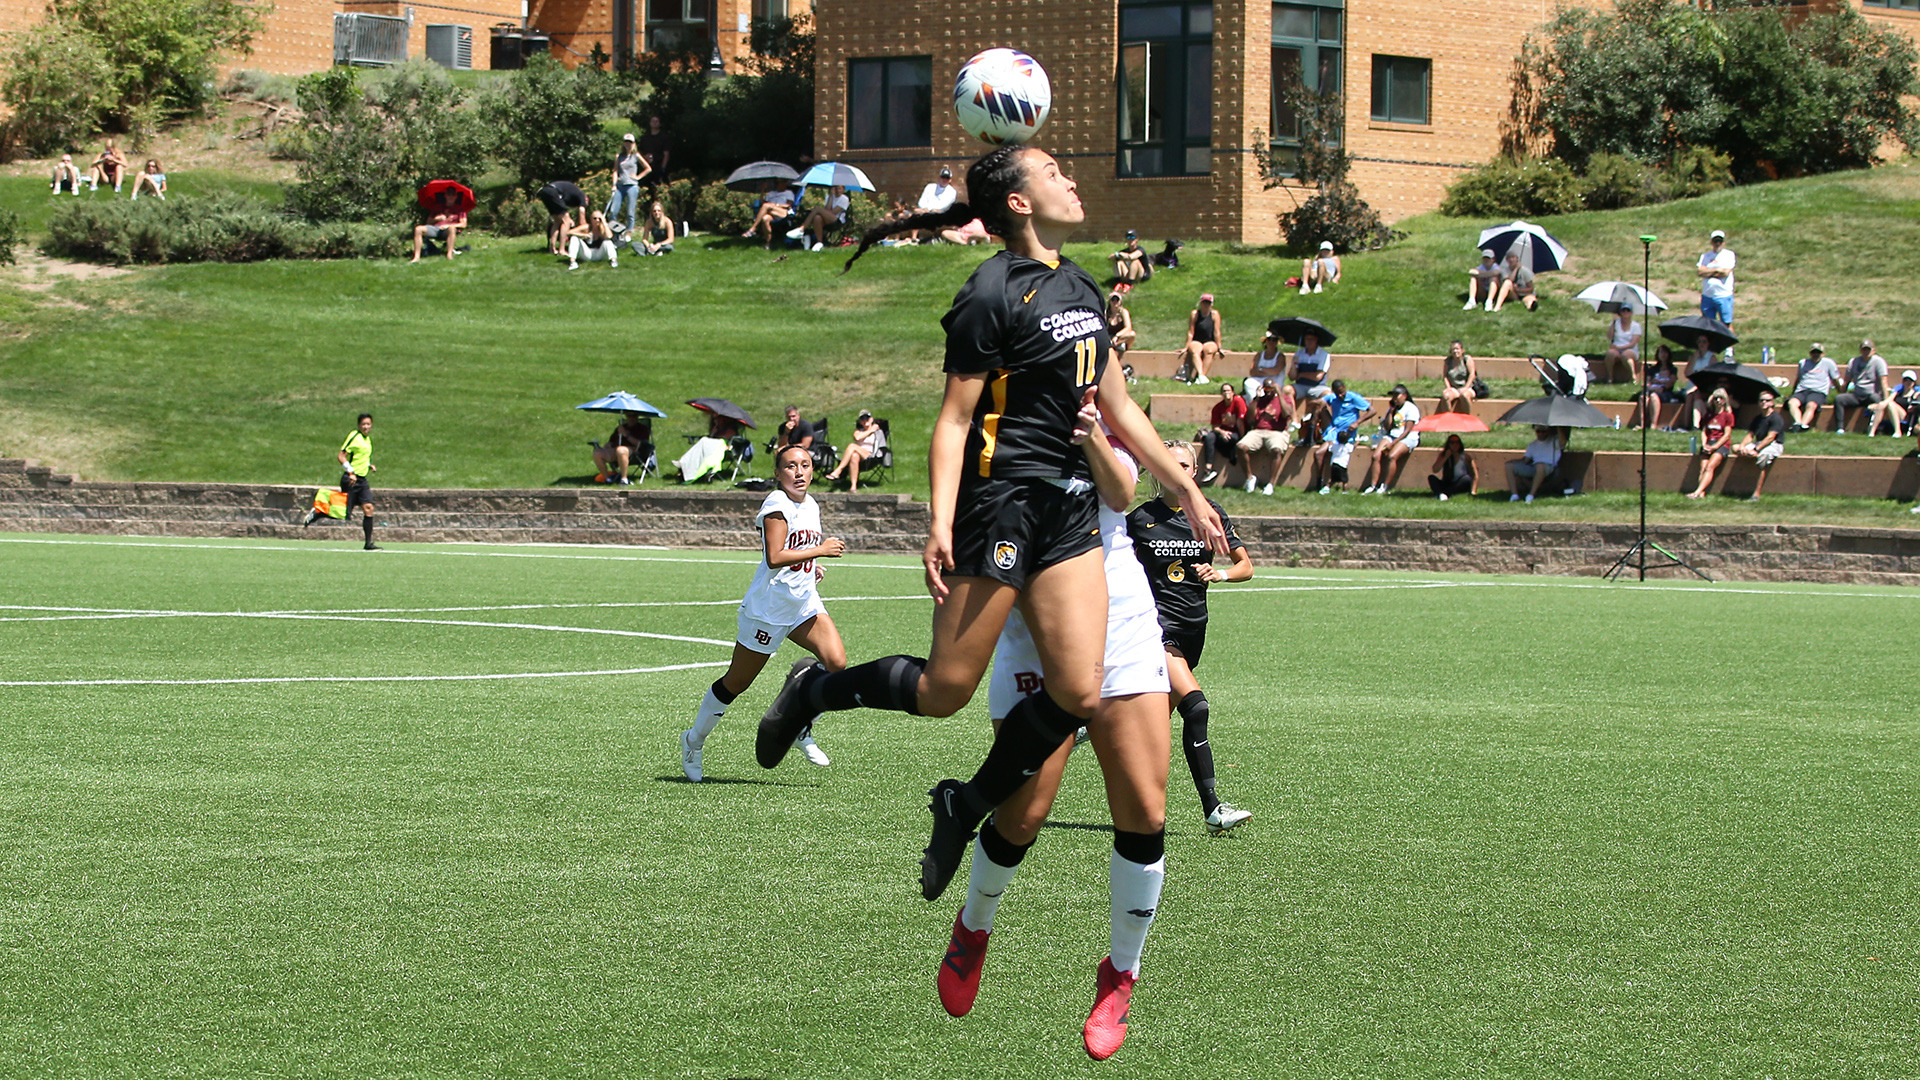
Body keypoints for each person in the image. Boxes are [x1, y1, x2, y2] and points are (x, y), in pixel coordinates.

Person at [771, 148, 1226, 1052]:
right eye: (1053, 169)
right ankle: (814, 693)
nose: (1072, 177)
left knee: (1090, 712)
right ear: (1020, 201)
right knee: (945, 689)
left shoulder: (1088, 290)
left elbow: (1121, 410)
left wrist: (1186, 487)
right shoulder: (990, 293)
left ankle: (1107, 968)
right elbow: (950, 420)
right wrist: (938, 522)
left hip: (1068, 518)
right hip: (997, 506)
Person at [950, 423, 1175, 1061]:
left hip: (1121, 611)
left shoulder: (1100, 395)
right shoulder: (995, 408)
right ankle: (974, 927)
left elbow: (1123, 490)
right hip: (1033, 618)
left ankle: (1119, 975)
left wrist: (1090, 432)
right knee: (1022, 812)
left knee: (1144, 809)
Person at [680, 443, 845, 782]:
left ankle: (799, 723)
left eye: (805, 465)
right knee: (736, 683)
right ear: (777, 473)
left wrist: (810, 567)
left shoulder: (811, 504)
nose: (799, 472)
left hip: (802, 603)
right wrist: (821, 551)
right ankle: (694, 740)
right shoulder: (776, 504)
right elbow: (774, 556)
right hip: (769, 609)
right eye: (790, 466)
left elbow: (796, 553)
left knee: (836, 663)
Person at [1129, 441, 1255, 837]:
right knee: (1196, 708)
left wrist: (1221, 575)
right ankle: (1213, 809)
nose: (1177, 471)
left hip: (1193, 627)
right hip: (1153, 628)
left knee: (1150, 730)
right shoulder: (1139, 519)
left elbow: (1244, 565)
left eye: (1184, 465)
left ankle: (1088, 727)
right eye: (1168, 465)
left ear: (1195, 470)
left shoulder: (1210, 512)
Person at [301, 412, 379, 549]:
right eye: (363, 424)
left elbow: (359, 457)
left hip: (362, 480)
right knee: (343, 512)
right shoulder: (354, 436)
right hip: (352, 480)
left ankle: (368, 543)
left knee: (369, 508)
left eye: (368, 424)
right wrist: (351, 472)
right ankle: (319, 511)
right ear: (359, 425)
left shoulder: (367, 440)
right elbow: (341, 456)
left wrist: (368, 465)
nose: (366, 427)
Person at [1359, 383, 1420, 495]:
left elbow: (1407, 430)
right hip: (1392, 435)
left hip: (1408, 437)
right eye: (1393, 396)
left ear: (1405, 396)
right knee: (1376, 456)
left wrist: (1394, 443)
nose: (1395, 398)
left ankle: (1385, 486)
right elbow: (1387, 427)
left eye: (1397, 395)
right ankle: (1373, 485)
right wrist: (1391, 412)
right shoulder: (1393, 409)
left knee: (1392, 456)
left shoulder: (1411, 409)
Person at [1310, 379, 1368, 494]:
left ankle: (1333, 484)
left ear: (1345, 388)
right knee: (1318, 454)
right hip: (1334, 431)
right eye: (1337, 393)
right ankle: (1319, 481)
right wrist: (1318, 403)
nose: (1340, 395)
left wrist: (1357, 422)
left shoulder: (1353, 398)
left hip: (1345, 435)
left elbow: (1372, 410)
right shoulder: (1332, 398)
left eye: (1342, 392)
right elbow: (1317, 402)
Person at [1237, 380, 1292, 495]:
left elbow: (1287, 414)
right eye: (1266, 389)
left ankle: (1271, 484)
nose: (1268, 392)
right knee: (1241, 447)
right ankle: (1250, 478)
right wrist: (1256, 399)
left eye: (1270, 389)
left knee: (1276, 450)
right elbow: (1250, 420)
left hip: (1277, 431)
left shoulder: (1284, 399)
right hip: (1258, 431)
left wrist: (1279, 394)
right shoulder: (1259, 401)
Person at [1731, 390, 1786, 500]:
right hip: (1759, 443)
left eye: (1767, 400)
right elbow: (1750, 435)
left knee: (1763, 456)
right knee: (1735, 448)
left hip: (1774, 445)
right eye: (1761, 400)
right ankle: (1754, 456)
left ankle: (1756, 494)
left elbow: (1771, 437)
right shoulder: (1757, 418)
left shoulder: (1776, 418)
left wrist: (1756, 449)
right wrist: (1742, 446)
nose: (1764, 402)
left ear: (1772, 403)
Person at [1686, 388, 1738, 499]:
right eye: (1716, 398)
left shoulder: (1728, 416)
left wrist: (1715, 447)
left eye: (1721, 398)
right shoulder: (1709, 415)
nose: (1718, 400)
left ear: (1725, 400)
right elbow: (1704, 432)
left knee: (1710, 467)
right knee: (1703, 468)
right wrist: (1705, 444)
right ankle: (1701, 493)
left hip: (1721, 445)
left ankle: (1696, 492)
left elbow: (1727, 435)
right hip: (1709, 443)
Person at [1833, 339, 1888, 434]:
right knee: (1839, 399)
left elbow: (1883, 380)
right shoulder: (1853, 361)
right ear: (1860, 350)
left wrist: (1886, 400)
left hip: (1872, 394)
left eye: (1868, 350)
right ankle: (1840, 428)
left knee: (1876, 398)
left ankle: (1878, 428)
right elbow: (1847, 380)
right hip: (1857, 395)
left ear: (1874, 350)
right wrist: (1842, 391)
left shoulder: (1879, 362)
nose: (1866, 352)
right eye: (1864, 350)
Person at [1785, 343, 1842, 433]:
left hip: (1818, 391)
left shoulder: (1828, 363)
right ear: (1810, 353)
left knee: (1811, 405)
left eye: (1818, 352)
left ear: (1823, 354)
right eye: (1813, 352)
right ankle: (1797, 423)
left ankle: (1803, 425)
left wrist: (1840, 391)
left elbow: (1835, 379)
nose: (1815, 354)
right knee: (1792, 402)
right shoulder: (1803, 363)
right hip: (1802, 390)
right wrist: (1793, 392)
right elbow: (1798, 378)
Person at [1197, 382, 1245, 485]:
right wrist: (1222, 432)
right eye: (1224, 391)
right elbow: (1215, 427)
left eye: (1228, 390)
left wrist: (1243, 438)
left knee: (1226, 439)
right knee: (1209, 437)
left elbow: (1241, 421)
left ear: (1233, 392)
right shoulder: (1217, 407)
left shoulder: (1238, 401)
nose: (1226, 393)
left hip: (1237, 433)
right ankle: (1208, 469)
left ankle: (1232, 455)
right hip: (1223, 432)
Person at [824, 410, 884, 491]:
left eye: (867, 418)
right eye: (862, 419)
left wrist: (873, 430)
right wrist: (870, 430)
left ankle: (838, 470)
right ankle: (853, 486)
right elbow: (857, 438)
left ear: (871, 419)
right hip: (859, 456)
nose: (865, 420)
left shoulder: (878, 432)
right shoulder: (858, 431)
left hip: (871, 456)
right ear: (860, 421)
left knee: (852, 446)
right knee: (854, 456)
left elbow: (881, 446)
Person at [1505, 425, 1564, 503]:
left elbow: (1563, 442)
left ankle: (1531, 495)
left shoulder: (1554, 441)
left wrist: (1558, 427)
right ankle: (1514, 495)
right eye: (1538, 431)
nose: (1541, 434)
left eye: (1543, 432)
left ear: (1548, 431)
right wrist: (1514, 462)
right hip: (1535, 467)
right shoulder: (1532, 445)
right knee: (1509, 466)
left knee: (1540, 466)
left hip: (1549, 467)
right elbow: (1526, 460)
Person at [1697, 229, 1736, 347]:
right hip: (1708, 295)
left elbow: (1725, 273)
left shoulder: (1729, 255)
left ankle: (1729, 350)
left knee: (1726, 323)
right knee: (1708, 324)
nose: (1717, 243)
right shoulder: (1705, 256)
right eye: (1715, 241)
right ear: (1711, 242)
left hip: (1723, 295)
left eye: (1720, 241)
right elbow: (1700, 272)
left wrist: (1708, 272)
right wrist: (1716, 271)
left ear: (1723, 242)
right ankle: (1710, 348)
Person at [607, 132, 652, 233]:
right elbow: (615, 171)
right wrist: (614, 184)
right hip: (620, 186)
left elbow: (648, 168)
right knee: (614, 210)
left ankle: (629, 232)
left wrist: (638, 177)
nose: (628, 144)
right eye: (626, 142)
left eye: (630, 142)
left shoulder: (636, 155)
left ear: (633, 143)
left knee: (630, 211)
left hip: (631, 186)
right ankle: (611, 231)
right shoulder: (619, 156)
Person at [593, 411, 652, 486]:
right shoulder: (621, 428)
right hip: (616, 450)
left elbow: (640, 444)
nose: (631, 418)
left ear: (637, 417)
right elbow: (611, 442)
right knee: (597, 453)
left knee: (621, 450)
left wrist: (626, 434)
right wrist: (607, 446)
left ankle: (624, 479)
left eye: (634, 416)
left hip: (634, 452)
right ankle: (608, 479)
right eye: (629, 416)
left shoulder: (642, 429)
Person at [1634, 344, 1683, 431]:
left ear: (1668, 354)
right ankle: (1643, 424)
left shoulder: (1672, 369)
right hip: (1652, 390)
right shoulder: (1653, 369)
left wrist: (1662, 386)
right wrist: (1652, 387)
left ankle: (1653, 424)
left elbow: (1671, 382)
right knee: (1643, 397)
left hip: (1665, 392)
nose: (1663, 355)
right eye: (1661, 352)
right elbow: (1647, 383)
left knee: (1653, 397)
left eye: (1665, 352)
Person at [1178, 294, 1223, 384]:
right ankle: (1201, 376)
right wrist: (1186, 346)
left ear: (1211, 304)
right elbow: (1191, 332)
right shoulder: (1195, 314)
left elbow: (1217, 332)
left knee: (1209, 350)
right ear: (1200, 303)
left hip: (1210, 340)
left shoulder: (1214, 314)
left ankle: (1201, 376)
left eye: (1208, 303)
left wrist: (1220, 347)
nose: (1206, 305)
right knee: (1195, 350)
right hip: (1197, 340)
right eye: (1204, 302)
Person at [536, 180, 588, 255]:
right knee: (566, 222)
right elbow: (582, 212)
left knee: (557, 221)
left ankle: (552, 249)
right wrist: (584, 228)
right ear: (587, 199)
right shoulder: (582, 196)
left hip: (544, 191)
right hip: (553, 191)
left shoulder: (572, 195)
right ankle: (562, 250)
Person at [1680, 334, 1720, 429]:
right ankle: (1687, 425)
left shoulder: (1711, 358)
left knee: (1695, 394)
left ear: (1708, 343)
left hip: (1705, 387)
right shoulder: (1693, 357)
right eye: (1699, 341)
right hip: (1692, 387)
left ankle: (1694, 425)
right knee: (1690, 395)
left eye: (1704, 341)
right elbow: (1687, 374)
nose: (1701, 344)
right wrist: (1694, 358)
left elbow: (1712, 376)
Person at [795, 184, 850, 252]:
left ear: (843, 189)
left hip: (837, 221)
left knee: (817, 209)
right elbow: (827, 209)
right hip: (827, 220)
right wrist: (830, 197)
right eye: (835, 188)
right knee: (817, 217)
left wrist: (825, 212)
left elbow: (833, 212)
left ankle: (802, 228)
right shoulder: (828, 197)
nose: (837, 190)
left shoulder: (844, 199)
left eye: (839, 188)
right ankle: (819, 242)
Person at [742, 182, 796, 249]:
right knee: (765, 219)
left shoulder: (789, 192)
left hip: (782, 212)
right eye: (781, 183)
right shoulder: (772, 193)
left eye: (783, 183)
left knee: (766, 206)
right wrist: (762, 190)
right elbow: (762, 202)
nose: (783, 184)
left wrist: (775, 205)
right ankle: (768, 243)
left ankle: (753, 228)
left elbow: (788, 205)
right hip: (771, 212)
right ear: (777, 184)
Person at [1868, 369, 1918, 437]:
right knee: (1886, 404)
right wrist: (1878, 406)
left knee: (1891, 404)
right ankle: (1872, 431)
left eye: (1910, 380)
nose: (1908, 382)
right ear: (1902, 381)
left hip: (1906, 416)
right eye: (1905, 380)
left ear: (1914, 382)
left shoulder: (1916, 393)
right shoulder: (1899, 391)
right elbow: (1889, 399)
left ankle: (1898, 431)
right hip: (1893, 414)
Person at [915, 166, 959, 242]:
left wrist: (932, 210)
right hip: (927, 210)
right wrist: (925, 208)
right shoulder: (930, 187)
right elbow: (921, 201)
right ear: (939, 177)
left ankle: (930, 237)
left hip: (941, 212)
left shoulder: (952, 192)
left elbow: (945, 205)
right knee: (916, 211)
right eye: (943, 177)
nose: (944, 180)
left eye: (947, 178)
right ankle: (914, 238)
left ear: (950, 180)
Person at [1427, 433, 1477, 500]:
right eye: (1452, 443)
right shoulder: (1443, 455)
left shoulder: (1465, 457)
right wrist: (1445, 457)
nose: (1455, 445)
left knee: (1466, 479)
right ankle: (1441, 494)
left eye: (1457, 442)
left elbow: (1474, 475)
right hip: (1447, 482)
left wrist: (1473, 490)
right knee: (1431, 478)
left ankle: (1444, 494)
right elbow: (1435, 469)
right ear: (1448, 444)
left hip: (1459, 483)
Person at [1601, 305, 1642, 384]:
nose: (1625, 312)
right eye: (1623, 310)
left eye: (1628, 310)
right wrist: (1613, 322)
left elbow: (1633, 343)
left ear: (1631, 312)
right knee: (1610, 354)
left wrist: (1620, 348)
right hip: (1616, 348)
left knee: (1625, 355)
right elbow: (1609, 336)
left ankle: (1633, 376)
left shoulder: (1636, 326)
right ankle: (1610, 377)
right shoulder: (1616, 323)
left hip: (1630, 349)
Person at [1290, 330, 1332, 400]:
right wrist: (1294, 365)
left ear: (1316, 340)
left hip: (1318, 387)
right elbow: (1292, 377)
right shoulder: (1299, 354)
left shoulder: (1324, 355)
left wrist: (1300, 375)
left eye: (1312, 339)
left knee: (1328, 395)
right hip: (1300, 385)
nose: (1309, 341)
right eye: (1307, 339)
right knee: (1287, 390)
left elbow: (1318, 376)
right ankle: (1290, 411)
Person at [1244, 329, 1286, 399]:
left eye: (1274, 340)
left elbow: (1276, 371)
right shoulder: (1259, 355)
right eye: (1269, 339)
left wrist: (1260, 369)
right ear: (1266, 341)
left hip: (1275, 381)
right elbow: (1252, 372)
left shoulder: (1280, 356)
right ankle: (1257, 402)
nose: (1271, 342)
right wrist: (1269, 372)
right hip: (1259, 381)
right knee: (1248, 383)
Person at [1438, 340, 1477, 414]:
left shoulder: (1467, 359)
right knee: (1446, 396)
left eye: (1457, 349)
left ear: (1462, 350)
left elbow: (1472, 374)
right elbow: (1445, 376)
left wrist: (1466, 387)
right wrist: (1448, 387)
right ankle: (1448, 418)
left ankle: (1468, 418)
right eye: (1453, 349)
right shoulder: (1448, 361)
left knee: (1464, 396)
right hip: (1454, 388)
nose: (1455, 351)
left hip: (1468, 387)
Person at [1105, 291, 1135, 363]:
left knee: (1132, 334)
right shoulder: (1106, 313)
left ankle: (1117, 345)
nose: (1115, 302)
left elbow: (1128, 327)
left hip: (1120, 338)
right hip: (1109, 337)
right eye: (1113, 300)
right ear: (1110, 302)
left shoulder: (1123, 312)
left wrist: (1117, 336)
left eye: (1117, 300)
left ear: (1120, 302)